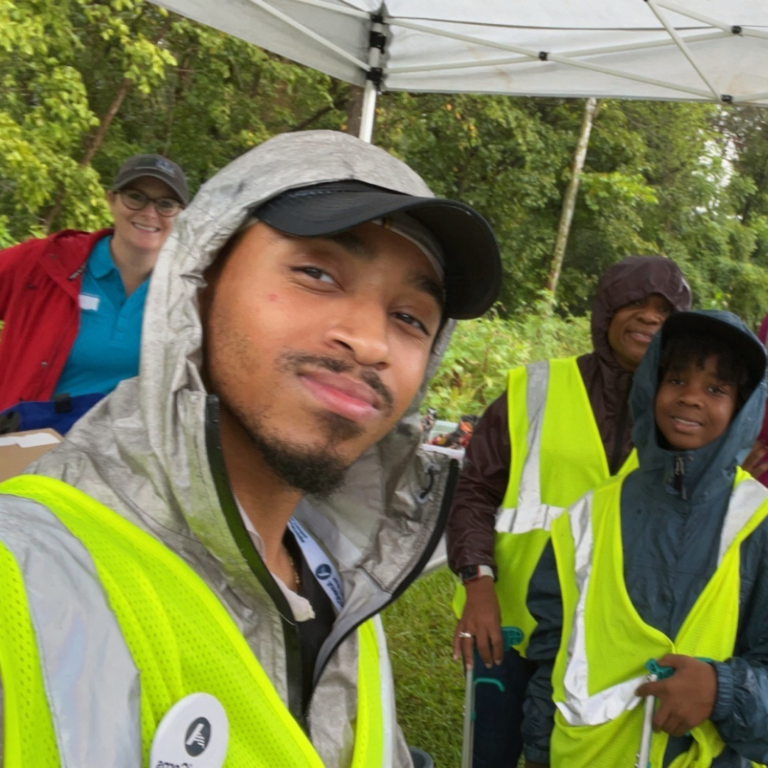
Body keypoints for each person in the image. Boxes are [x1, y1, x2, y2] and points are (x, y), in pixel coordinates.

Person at [0, 130, 501, 766]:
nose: (371, 341)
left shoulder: (349, 580)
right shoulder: (24, 571)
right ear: (197, 283)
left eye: (410, 317)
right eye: (316, 273)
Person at [446, 256, 691, 767]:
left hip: (607, 646)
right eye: (635, 303)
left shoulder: (680, 417)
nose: (649, 318)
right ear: (605, 311)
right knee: (487, 755)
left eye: (664, 310)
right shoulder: (533, 389)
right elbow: (474, 491)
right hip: (508, 630)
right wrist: (478, 584)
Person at [523, 310, 768, 767]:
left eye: (716, 389)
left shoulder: (760, 522)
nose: (692, 399)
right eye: (677, 380)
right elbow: (551, 655)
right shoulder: (589, 515)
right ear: (651, 388)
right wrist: (538, 753)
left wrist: (722, 690)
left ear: (743, 407)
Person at [0, 153, 189, 433]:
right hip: (25, 452)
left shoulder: (191, 295)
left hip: (122, 466)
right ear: (111, 199)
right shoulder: (47, 261)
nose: (150, 213)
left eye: (166, 204)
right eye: (136, 197)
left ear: (182, 215)